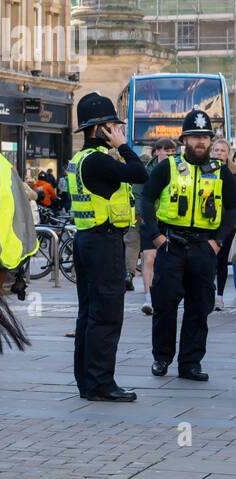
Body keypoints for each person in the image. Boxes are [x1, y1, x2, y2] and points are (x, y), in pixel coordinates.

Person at [140, 109, 236, 381]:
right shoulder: (167, 167)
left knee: (199, 307)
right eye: (195, 137)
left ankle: (190, 363)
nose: (201, 142)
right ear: (184, 140)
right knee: (165, 305)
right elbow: (146, 200)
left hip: (203, 249)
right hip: (171, 246)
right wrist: (157, 237)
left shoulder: (219, 172)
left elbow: (232, 209)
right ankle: (162, 358)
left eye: (205, 137)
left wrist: (217, 242)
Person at [67, 92, 148, 402]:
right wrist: (123, 146)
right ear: (98, 127)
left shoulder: (82, 159)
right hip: (103, 243)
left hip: (87, 240)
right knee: (107, 314)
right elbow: (140, 173)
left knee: (88, 313)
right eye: (113, 125)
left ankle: (87, 382)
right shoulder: (100, 160)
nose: (118, 129)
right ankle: (101, 383)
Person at [136, 138, 177, 315]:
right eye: (166, 151)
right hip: (149, 221)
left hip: (170, 222)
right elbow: (139, 195)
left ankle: (164, 295)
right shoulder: (147, 172)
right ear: (156, 152)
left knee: (166, 261)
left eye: (172, 152)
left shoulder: (179, 171)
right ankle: (149, 298)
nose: (169, 154)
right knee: (149, 258)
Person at [211, 137, 234, 310]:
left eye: (222, 151)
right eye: (216, 150)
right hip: (208, 222)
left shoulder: (233, 173)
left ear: (228, 154)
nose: (219, 153)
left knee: (222, 259)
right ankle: (208, 293)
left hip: (227, 223)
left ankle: (219, 296)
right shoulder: (205, 170)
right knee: (208, 260)